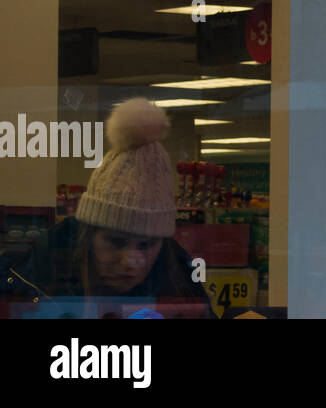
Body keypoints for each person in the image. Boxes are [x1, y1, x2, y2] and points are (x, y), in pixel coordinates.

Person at [2, 97, 214, 317]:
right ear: (87, 233)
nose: (130, 262)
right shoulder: (27, 283)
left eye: (146, 245)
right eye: (116, 241)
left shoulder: (180, 278)